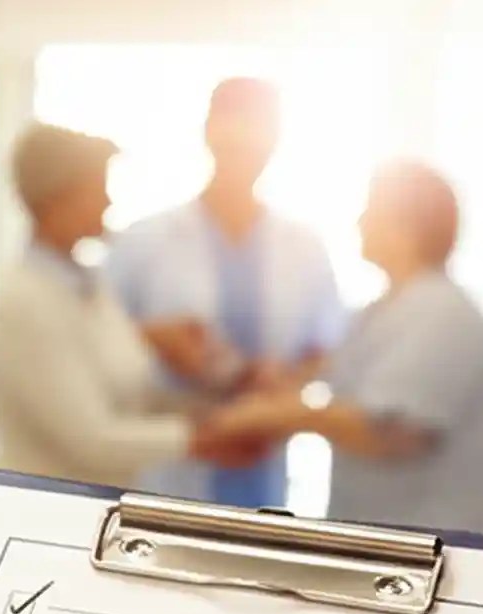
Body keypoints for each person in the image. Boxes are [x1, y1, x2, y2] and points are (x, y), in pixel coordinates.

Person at [214, 161, 483, 531]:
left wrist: (277, 415)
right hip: (380, 534)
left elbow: (390, 432)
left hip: (434, 543)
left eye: (371, 211)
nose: (359, 223)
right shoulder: (379, 311)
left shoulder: (442, 313)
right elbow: (330, 376)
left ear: (406, 226)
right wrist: (270, 385)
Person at [105, 77, 345, 508]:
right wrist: (157, 340)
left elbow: (328, 344)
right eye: (235, 129)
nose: (247, 146)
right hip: (173, 456)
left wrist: (284, 382)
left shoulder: (304, 246)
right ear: (209, 132)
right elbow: (100, 343)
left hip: (263, 457)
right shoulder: (145, 241)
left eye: (260, 132)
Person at [0, 123, 264, 489]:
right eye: (97, 188)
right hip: (50, 506)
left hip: (102, 500)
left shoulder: (90, 285)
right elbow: (91, 440)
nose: (107, 202)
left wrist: (207, 413)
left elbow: (134, 396)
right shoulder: (25, 302)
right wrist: (201, 440)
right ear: (59, 198)